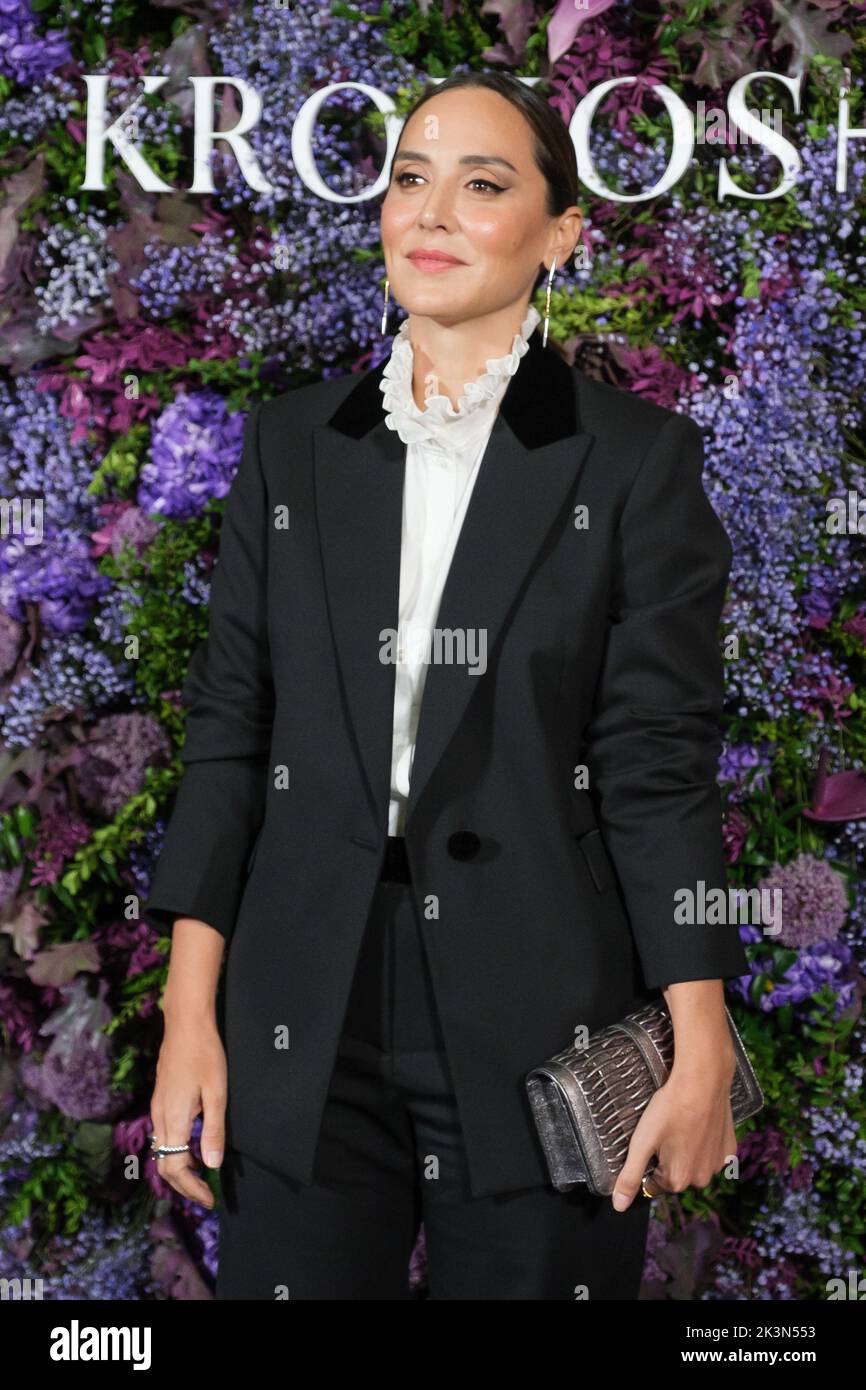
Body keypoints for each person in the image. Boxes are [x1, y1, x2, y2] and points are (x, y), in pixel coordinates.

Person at [144, 71, 749, 1300]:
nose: (431, 210)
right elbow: (228, 731)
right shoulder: (291, 448)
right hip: (302, 1003)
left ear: (559, 234)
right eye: (410, 178)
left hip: (541, 1005)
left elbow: (655, 761)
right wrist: (187, 1016)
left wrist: (698, 1036)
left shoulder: (633, 463)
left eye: (482, 184)